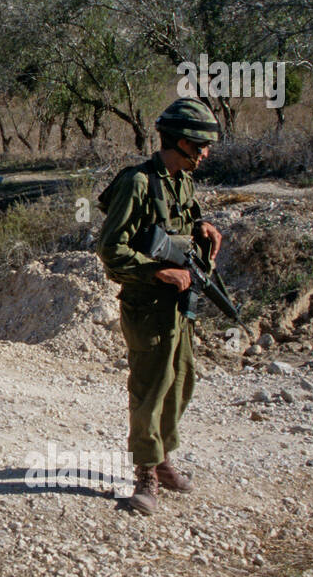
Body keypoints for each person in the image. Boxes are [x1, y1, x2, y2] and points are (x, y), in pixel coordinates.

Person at [96, 98, 224, 515]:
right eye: (200, 145)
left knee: (180, 380)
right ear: (182, 142)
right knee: (150, 387)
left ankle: (164, 455)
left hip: (178, 304)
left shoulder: (182, 180)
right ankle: (145, 473)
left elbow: (179, 223)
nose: (205, 154)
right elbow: (111, 250)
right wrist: (155, 273)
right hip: (147, 303)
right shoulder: (137, 182)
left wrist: (201, 227)